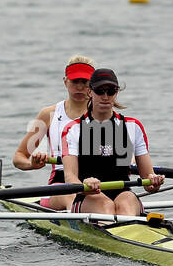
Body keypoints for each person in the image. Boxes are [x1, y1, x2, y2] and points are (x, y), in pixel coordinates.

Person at [60, 67, 164, 216]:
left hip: (123, 193)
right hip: (87, 195)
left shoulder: (132, 126)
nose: (105, 96)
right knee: (106, 206)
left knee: (126, 203)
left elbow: (148, 182)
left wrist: (153, 181)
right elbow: (70, 178)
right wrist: (84, 185)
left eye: (111, 91)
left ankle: (129, 231)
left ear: (116, 93)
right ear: (90, 92)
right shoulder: (73, 129)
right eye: (100, 91)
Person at [12, 57, 96, 210]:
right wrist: (32, 164)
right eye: (74, 81)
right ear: (65, 82)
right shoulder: (48, 114)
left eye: (84, 82)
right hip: (60, 184)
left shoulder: (104, 115)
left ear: (93, 84)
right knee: (73, 194)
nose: (79, 87)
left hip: (96, 182)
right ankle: (83, 218)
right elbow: (19, 158)